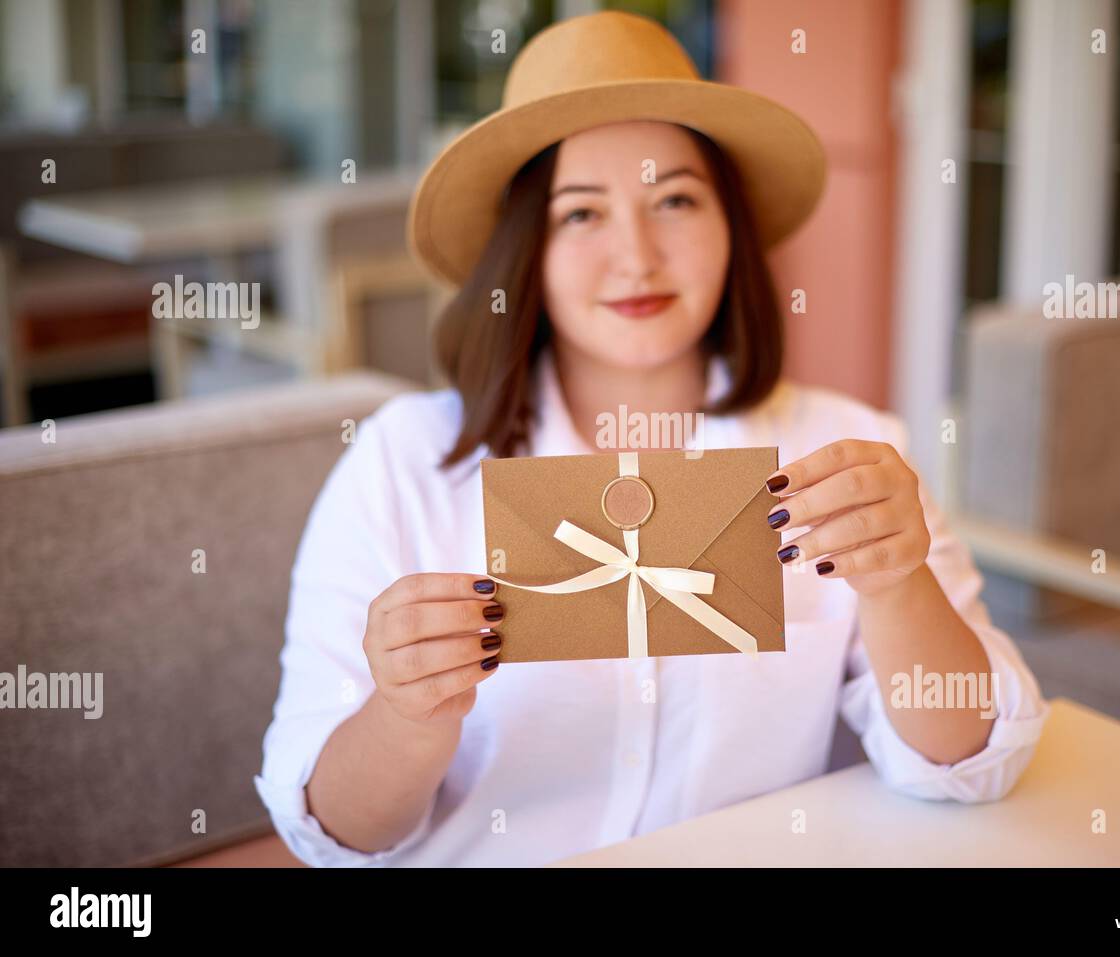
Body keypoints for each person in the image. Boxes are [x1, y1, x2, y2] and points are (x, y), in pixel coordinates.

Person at [255, 10, 1048, 867]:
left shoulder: (848, 450)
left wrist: (899, 587)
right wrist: (405, 714)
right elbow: (328, 834)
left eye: (674, 199)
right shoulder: (401, 463)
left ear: (732, 227)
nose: (635, 256)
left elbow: (973, 763)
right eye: (581, 214)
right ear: (527, 252)